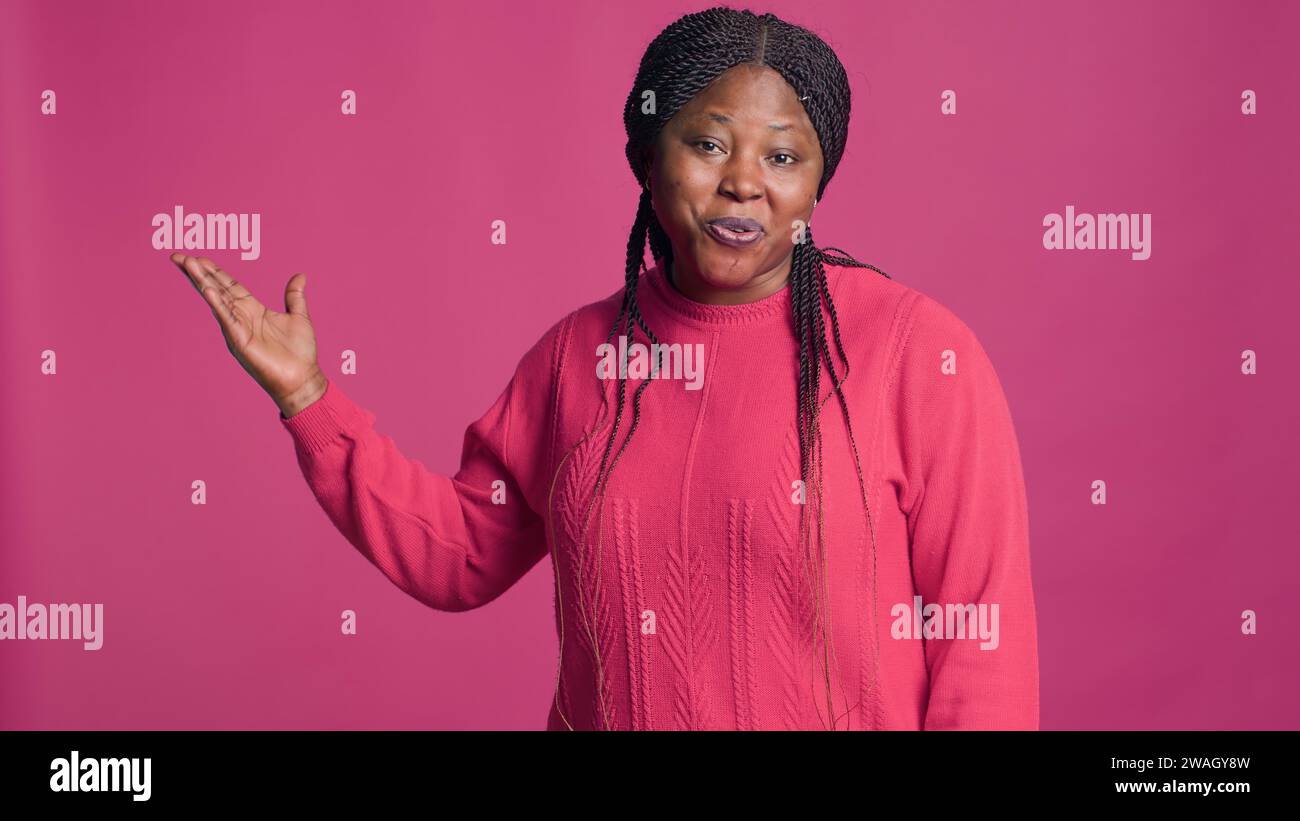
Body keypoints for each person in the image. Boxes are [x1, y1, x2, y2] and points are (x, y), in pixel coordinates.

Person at [171, 6, 1039, 731]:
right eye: (708, 144)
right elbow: (458, 555)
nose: (745, 183)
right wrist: (309, 399)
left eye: (783, 156)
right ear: (648, 161)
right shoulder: (575, 361)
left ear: (816, 183)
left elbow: (982, 644)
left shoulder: (918, 353)